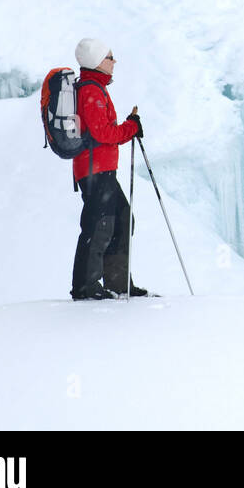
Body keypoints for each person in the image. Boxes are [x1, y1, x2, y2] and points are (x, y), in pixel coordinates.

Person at [69, 37, 149, 300]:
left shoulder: (95, 89)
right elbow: (102, 133)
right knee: (99, 224)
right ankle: (85, 286)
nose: (114, 62)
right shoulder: (91, 91)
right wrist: (131, 128)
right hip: (95, 168)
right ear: (96, 60)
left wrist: (129, 125)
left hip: (99, 168)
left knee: (122, 219)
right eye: (109, 57)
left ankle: (117, 282)